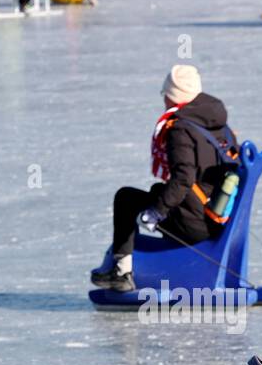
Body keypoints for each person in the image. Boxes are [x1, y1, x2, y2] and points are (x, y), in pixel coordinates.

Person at [90, 66, 238, 293]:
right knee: (157, 190)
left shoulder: (180, 128)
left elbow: (183, 179)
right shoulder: (219, 124)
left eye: (165, 94)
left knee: (126, 198)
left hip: (195, 224)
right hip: (218, 219)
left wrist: (157, 211)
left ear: (173, 96)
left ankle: (121, 271)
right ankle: (124, 265)